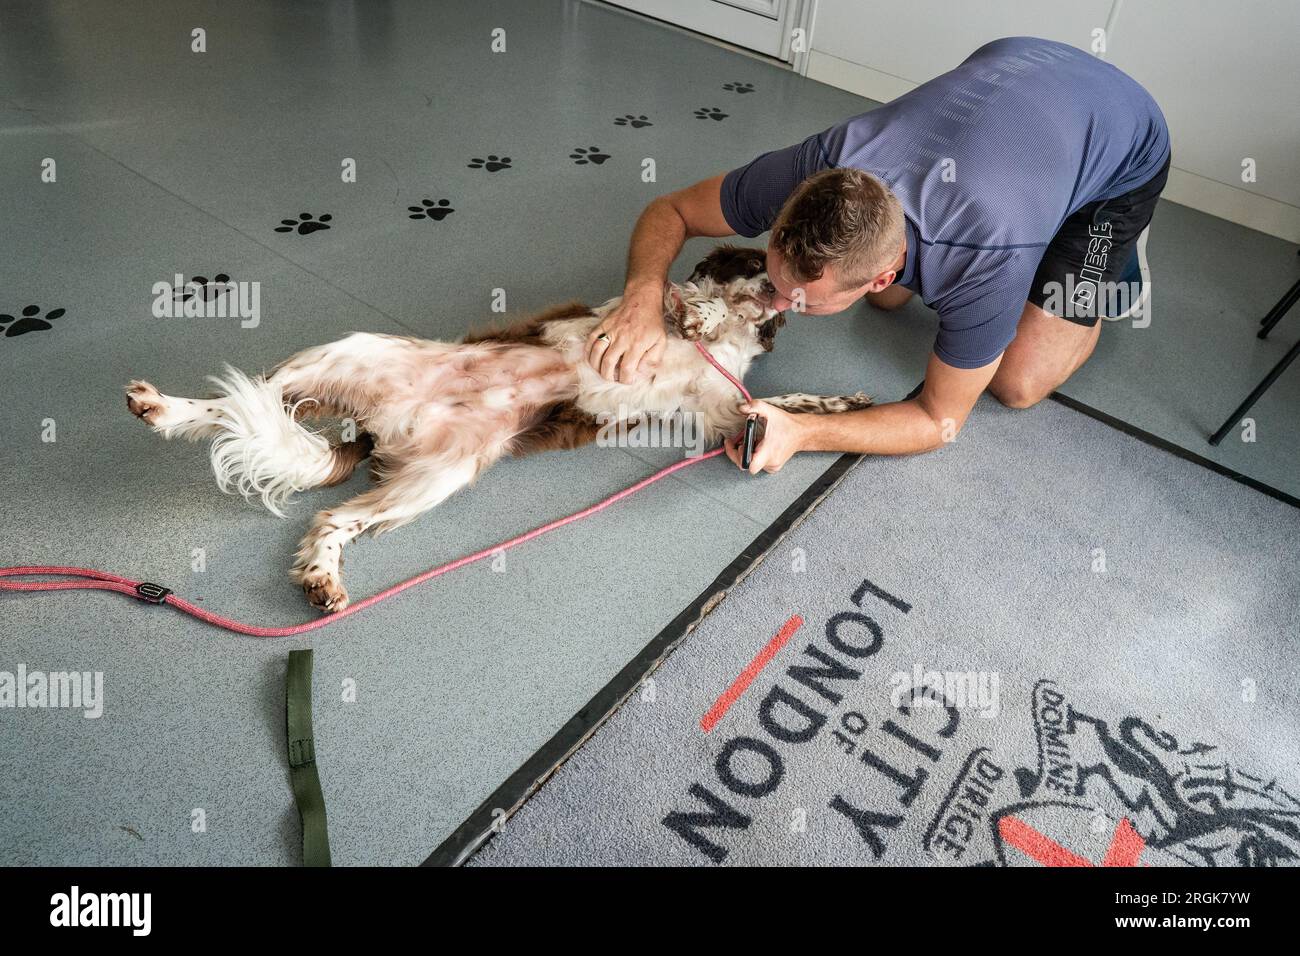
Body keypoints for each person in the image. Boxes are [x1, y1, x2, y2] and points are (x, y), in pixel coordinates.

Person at [585, 36, 1170, 474]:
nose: (772, 303)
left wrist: (804, 433)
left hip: (1121, 143)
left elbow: (938, 422)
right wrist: (641, 297)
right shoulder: (818, 167)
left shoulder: (985, 256)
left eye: (799, 300)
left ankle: (1107, 265)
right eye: (778, 278)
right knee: (889, 305)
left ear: (879, 268)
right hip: (1019, 61)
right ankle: (1033, 219)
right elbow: (673, 211)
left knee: (1018, 382)